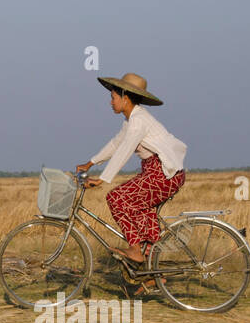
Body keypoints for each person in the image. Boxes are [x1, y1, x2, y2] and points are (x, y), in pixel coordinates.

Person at [75, 73, 187, 282]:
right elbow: (116, 143)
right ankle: (153, 273)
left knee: (116, 198)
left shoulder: (139, 121)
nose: (111, 102)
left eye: (113, 97)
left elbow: (125, 150)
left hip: (163, 173)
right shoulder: (132, 120)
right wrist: (91, 162)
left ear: (125, 98)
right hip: (157, 172)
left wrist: (102, 179)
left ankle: (135, 249)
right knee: (141, 211)